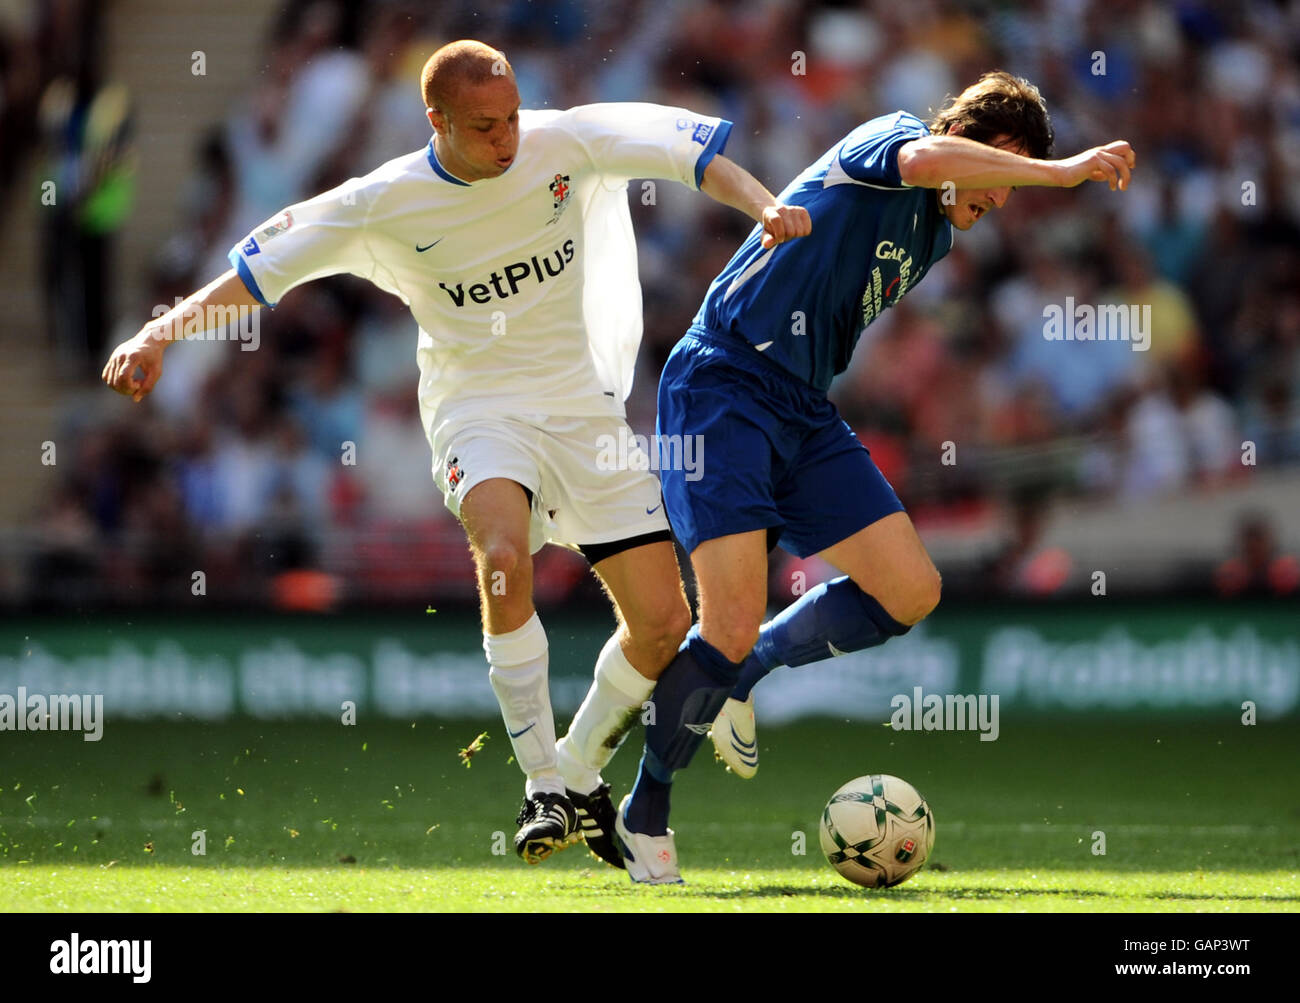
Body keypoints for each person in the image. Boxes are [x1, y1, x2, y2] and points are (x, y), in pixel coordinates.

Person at [101, 40, 809, 868]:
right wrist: (157, 334)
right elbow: (261, 270)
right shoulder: (385, 200)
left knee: (664, 624)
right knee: (502, 555)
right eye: (484, 126)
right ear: (435, 120)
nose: (507, 139)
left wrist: (762, 206)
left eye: (511, 117)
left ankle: (580, 772)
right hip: (479, 411)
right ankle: (542, 779)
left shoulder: (561, 141)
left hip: (582, 412)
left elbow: (686, 152)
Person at [613, 71, 1135, 883]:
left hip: (801, 407)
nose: (1000, 199)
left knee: (911, 590)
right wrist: (1064, 173)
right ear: (977, 144)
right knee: (727, 619)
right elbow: (928, 158)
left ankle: (747, 673)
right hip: (724, 383)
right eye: (1002, 173)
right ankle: (644, 812)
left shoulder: (939, 235)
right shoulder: (886, 141)